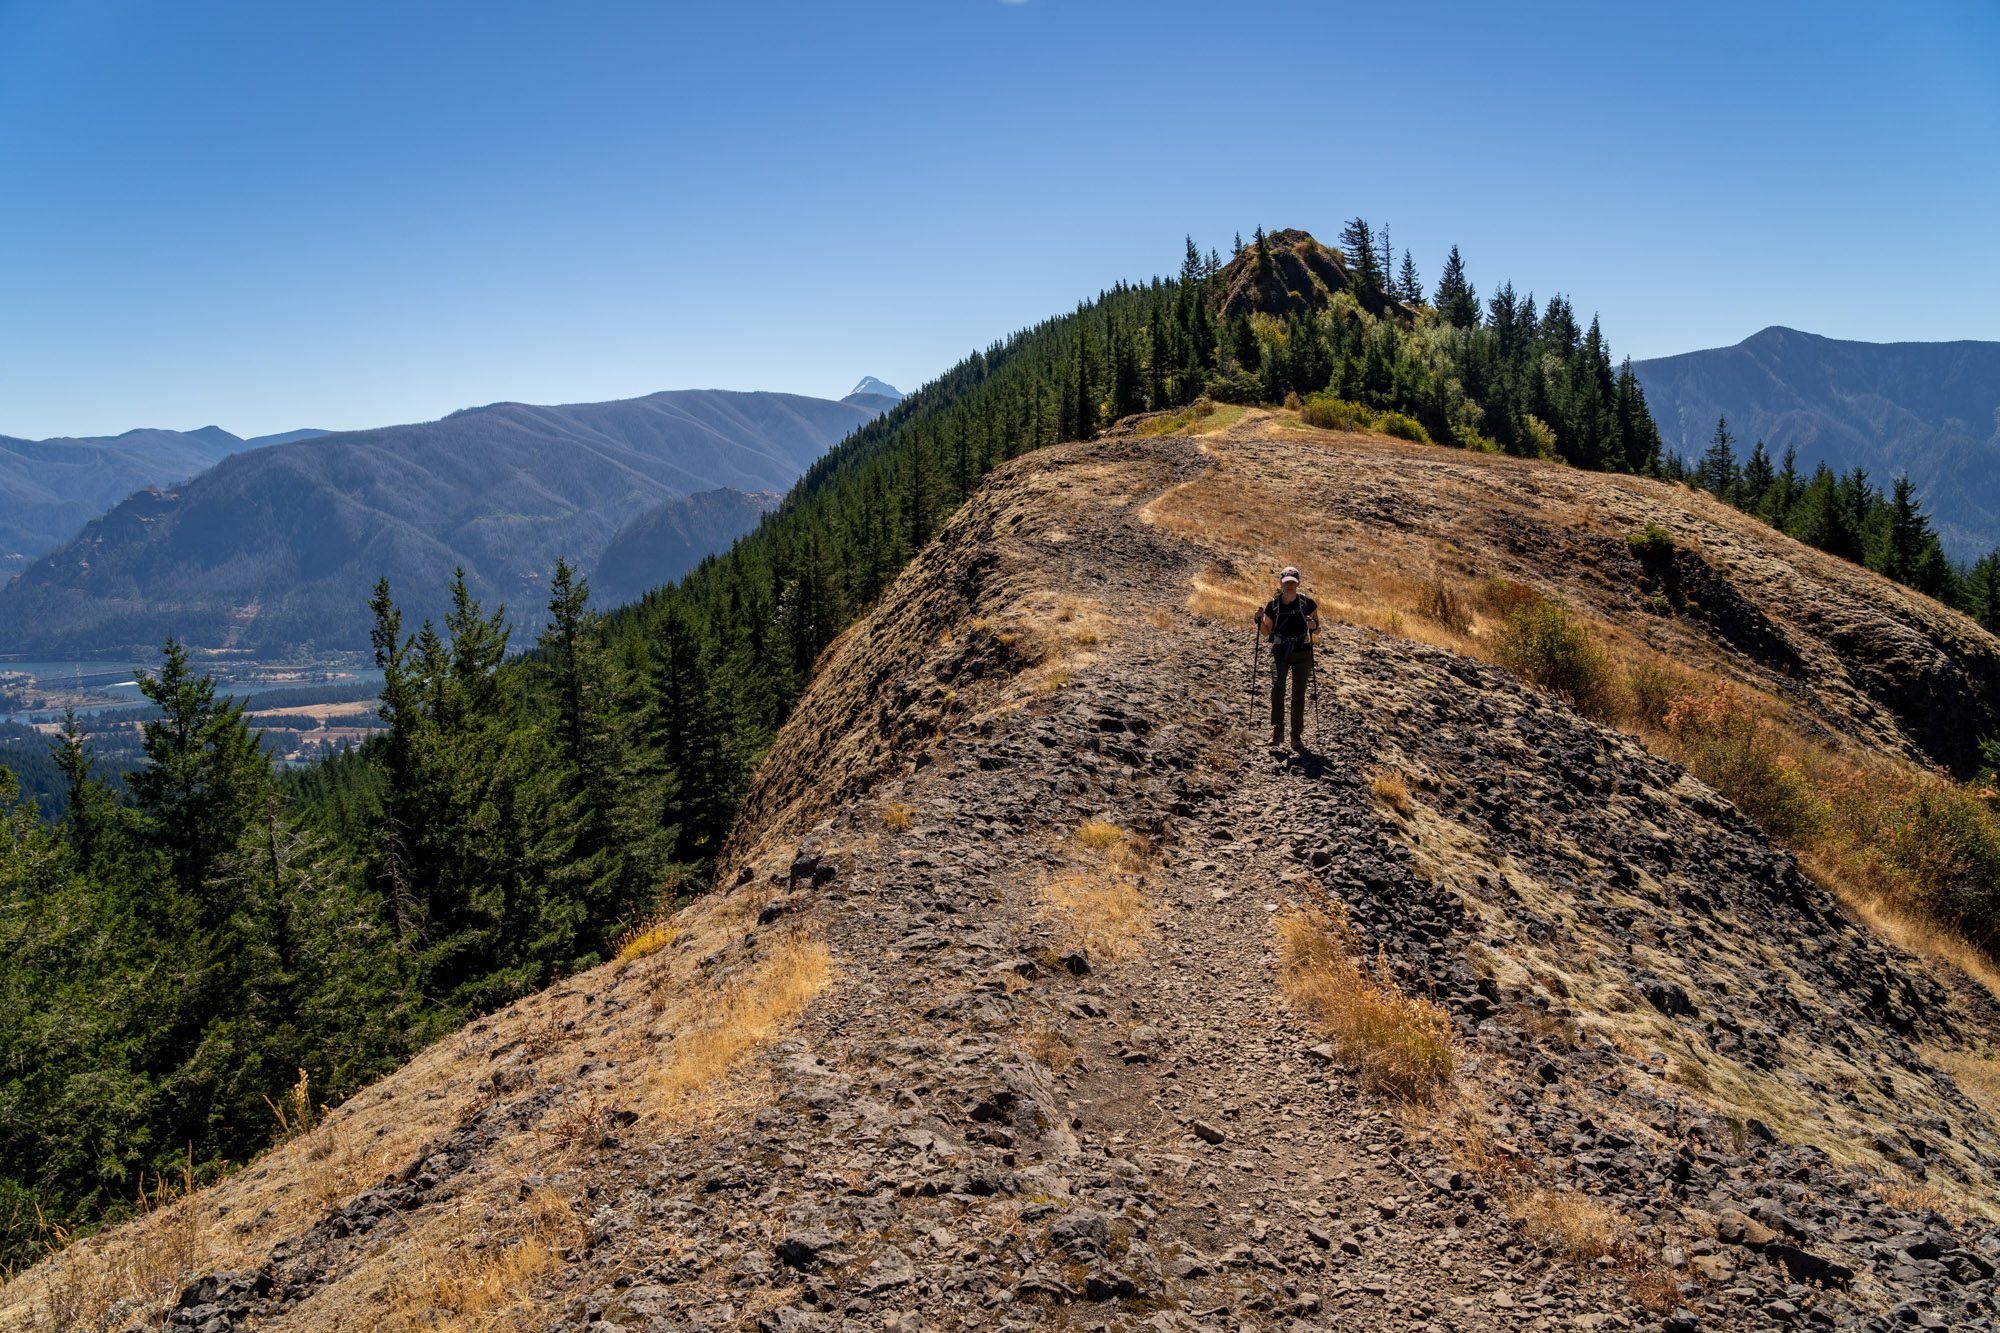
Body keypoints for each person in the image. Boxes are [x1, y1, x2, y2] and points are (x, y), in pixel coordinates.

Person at [1256, 566, 1320, 749]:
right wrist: (1259, 621)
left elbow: (1318, 628)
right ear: (1281, 583)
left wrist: (1313, 625)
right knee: (1278, 688)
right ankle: (1277, 729)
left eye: (1293, 582)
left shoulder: (1307, 603)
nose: (1289, 585)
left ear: (1298, 583)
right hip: (1280, 651)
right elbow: (1266, 632)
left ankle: (1296, 735)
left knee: (1298, 694)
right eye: (1286, 582)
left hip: (1303, 652)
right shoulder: (1273, 605)